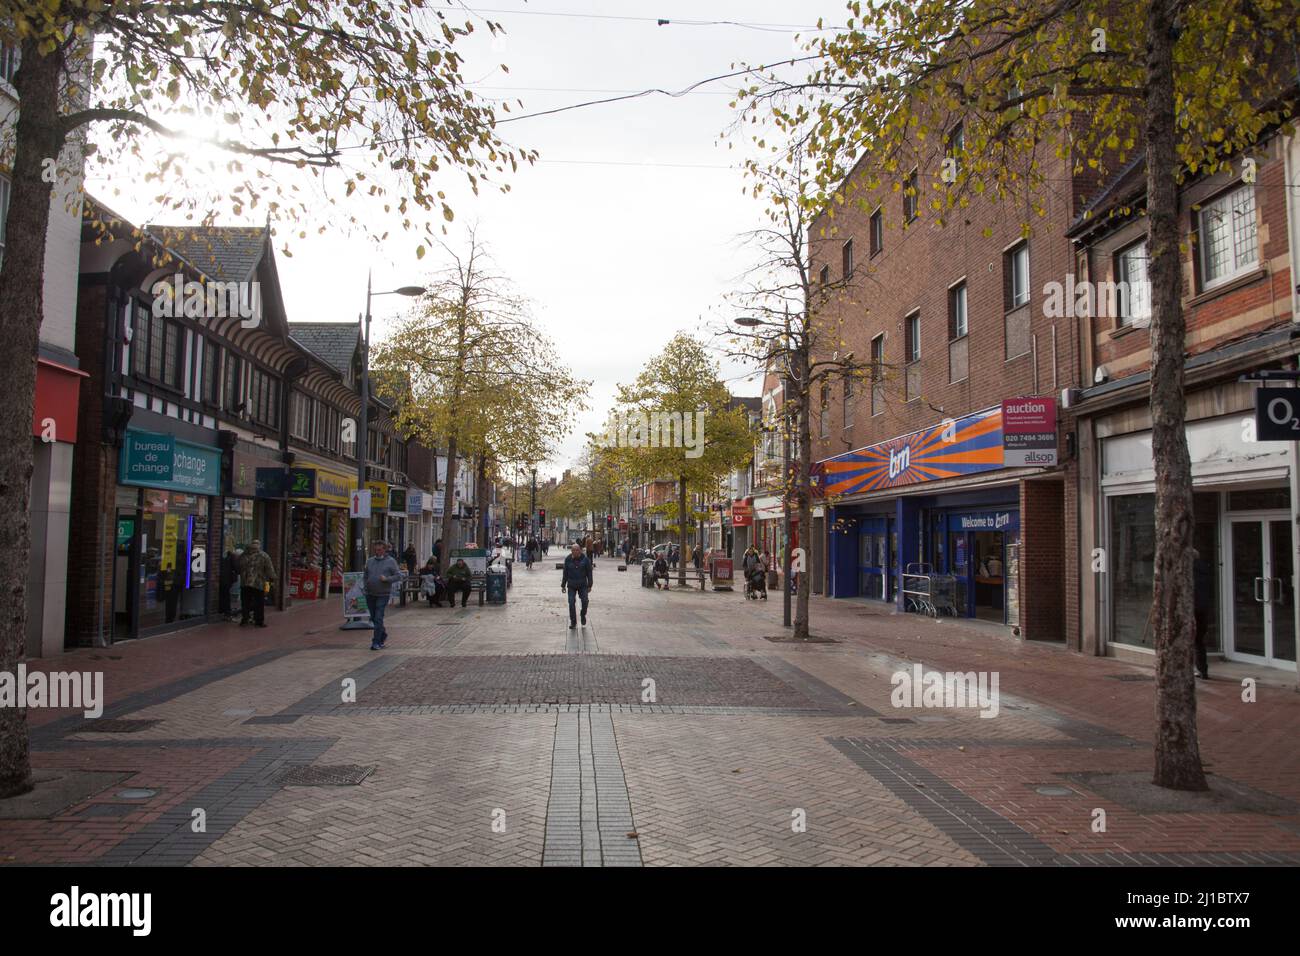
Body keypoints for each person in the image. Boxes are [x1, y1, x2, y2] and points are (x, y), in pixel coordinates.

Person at [363, 540, 401, 650]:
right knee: (374, 618)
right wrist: (365, 586)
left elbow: (398, 576)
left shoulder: (391, 561)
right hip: (370, 593)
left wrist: (387, 579)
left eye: (379, 550)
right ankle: (382, 634)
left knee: (379, 617)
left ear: (384, 550)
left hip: (383, 594)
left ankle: (376, 642)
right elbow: (366, 575)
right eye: (375, 550)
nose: (377, 552)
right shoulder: (370, 561)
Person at [238, 540, 276, 627]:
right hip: (258, 583)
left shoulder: (244, 555)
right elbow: (269, 569)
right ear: (259, 546)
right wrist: (272, 579)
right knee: (259, 603)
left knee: (245, 602)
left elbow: (238, 566)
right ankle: (259, 621)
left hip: (245, 583)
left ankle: (245, 619)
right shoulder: (263, 555)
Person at [561, 541, 594, 627]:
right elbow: (565, 573)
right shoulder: (568, 559)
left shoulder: (585, 559)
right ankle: (573, 621)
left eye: (577, 550)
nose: (575, 552)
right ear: (571, 551)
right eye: (573, 550)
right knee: (571, 602)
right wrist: (563, 585)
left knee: (585, 600)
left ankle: (583, 614)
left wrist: (590, 585)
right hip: (571, 584)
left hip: (582, 584)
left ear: (580, 551)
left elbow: (589, 573)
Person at [1192, 549, 1213, 680]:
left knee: (1188, 640)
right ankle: (1202, 669)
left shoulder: (1188, 571)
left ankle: (1193, 668)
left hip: (1191, 608)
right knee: (1199, 640)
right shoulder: (1206, 570)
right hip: (1203, 608)